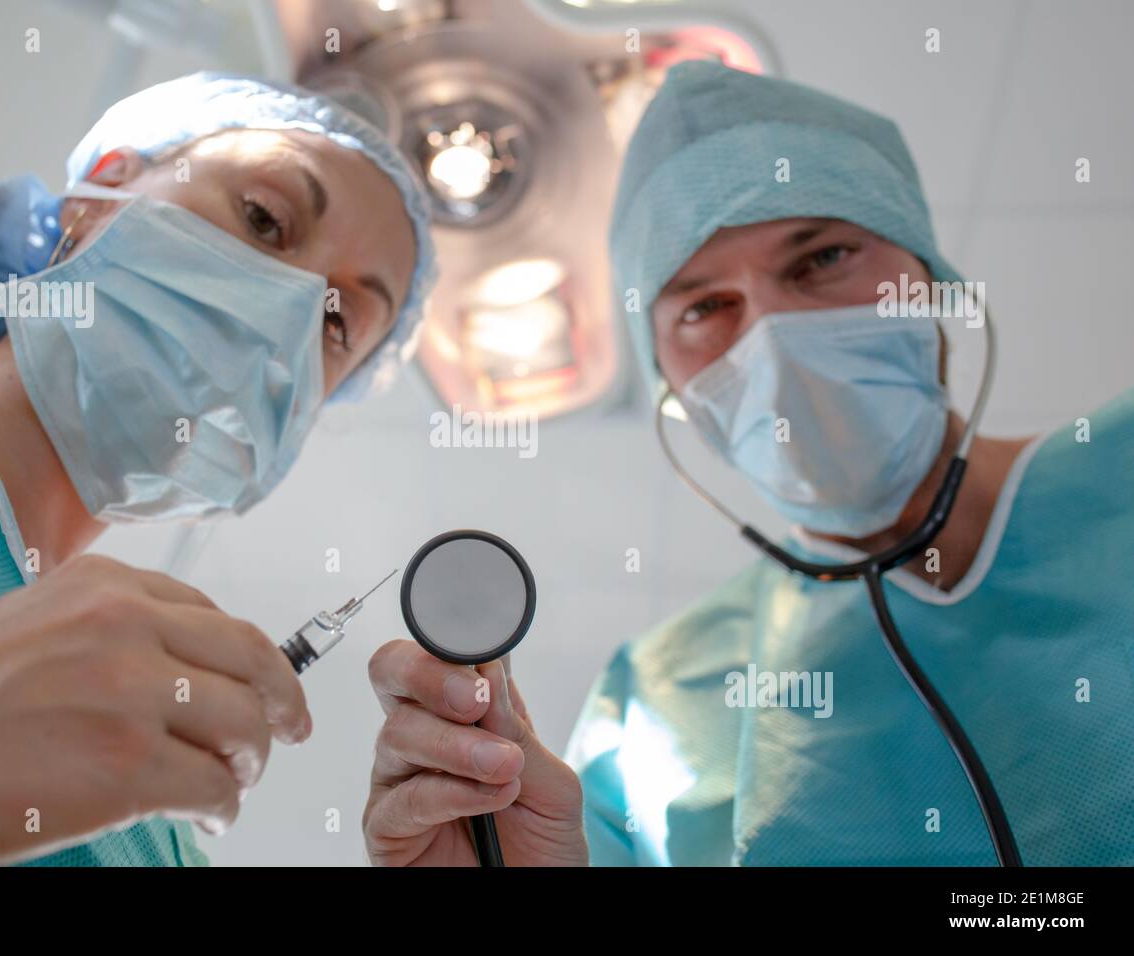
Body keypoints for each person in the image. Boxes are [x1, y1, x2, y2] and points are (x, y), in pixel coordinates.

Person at [362, 61, 1134, 866]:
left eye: (822, 257)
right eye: (704, 306)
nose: (773, 335)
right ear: (672, 385)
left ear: (929, 280)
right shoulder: (654, 703)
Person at [0, 72, 435, 866]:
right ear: (97, 196)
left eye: (338, 323)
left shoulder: (156, 812)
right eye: (264, 217)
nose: (285, 307)